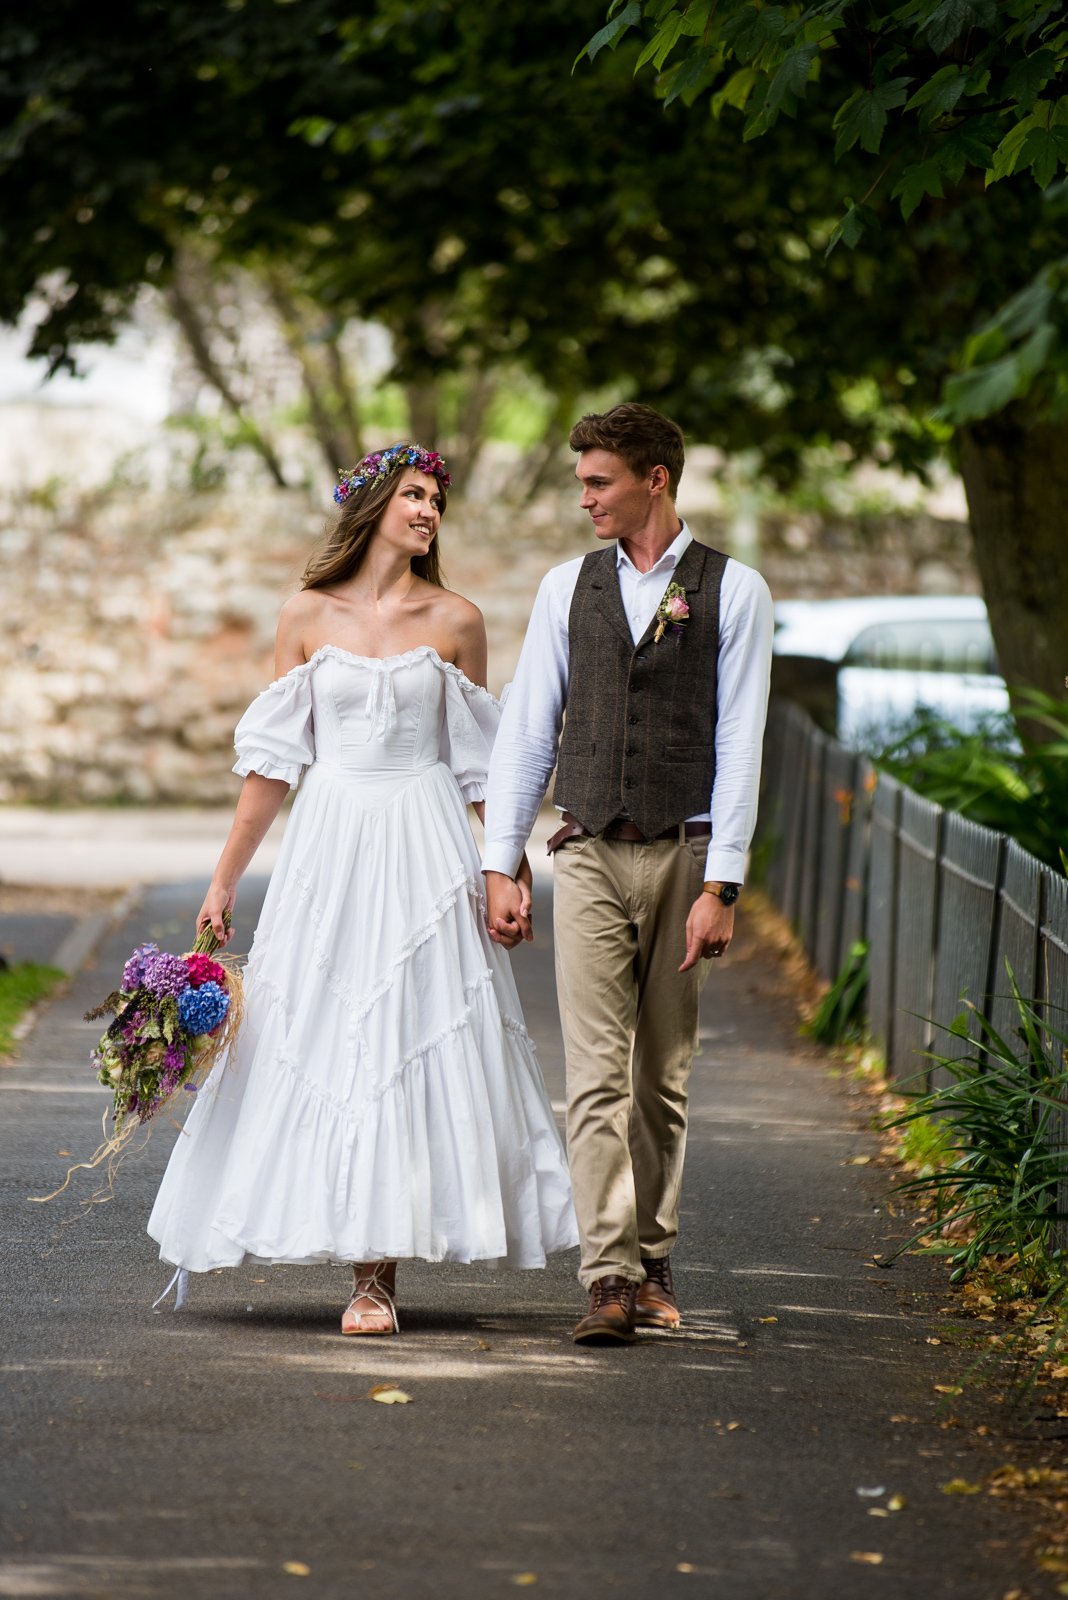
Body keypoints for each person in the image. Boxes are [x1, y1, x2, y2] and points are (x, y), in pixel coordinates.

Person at [148, 443, 577, 1335]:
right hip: (330, 842)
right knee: (322, 1026)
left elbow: (481, 768)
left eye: (436, 499)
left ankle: (377, 1279)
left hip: (424, 842)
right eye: (413, 495)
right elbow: (273, 767)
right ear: (375, 504)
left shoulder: (457, 619)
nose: (428, 510)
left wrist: (509, 868)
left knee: (409, 1026)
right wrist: (223, 883)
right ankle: (339, 1237)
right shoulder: (304, 616)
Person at [482, 403, 773, 1345]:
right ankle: (607, 1275)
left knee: (662, 1082)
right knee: (596, 1074)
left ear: (656, 478)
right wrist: (503, 859)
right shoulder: (566, 587)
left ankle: (655, 1260)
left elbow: (741, 744)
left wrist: (721, 885)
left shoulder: (736, 590)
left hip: (687, 852)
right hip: (591, 850)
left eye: (599, 482)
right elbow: (530, 726)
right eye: (582, 482)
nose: (585, 499)